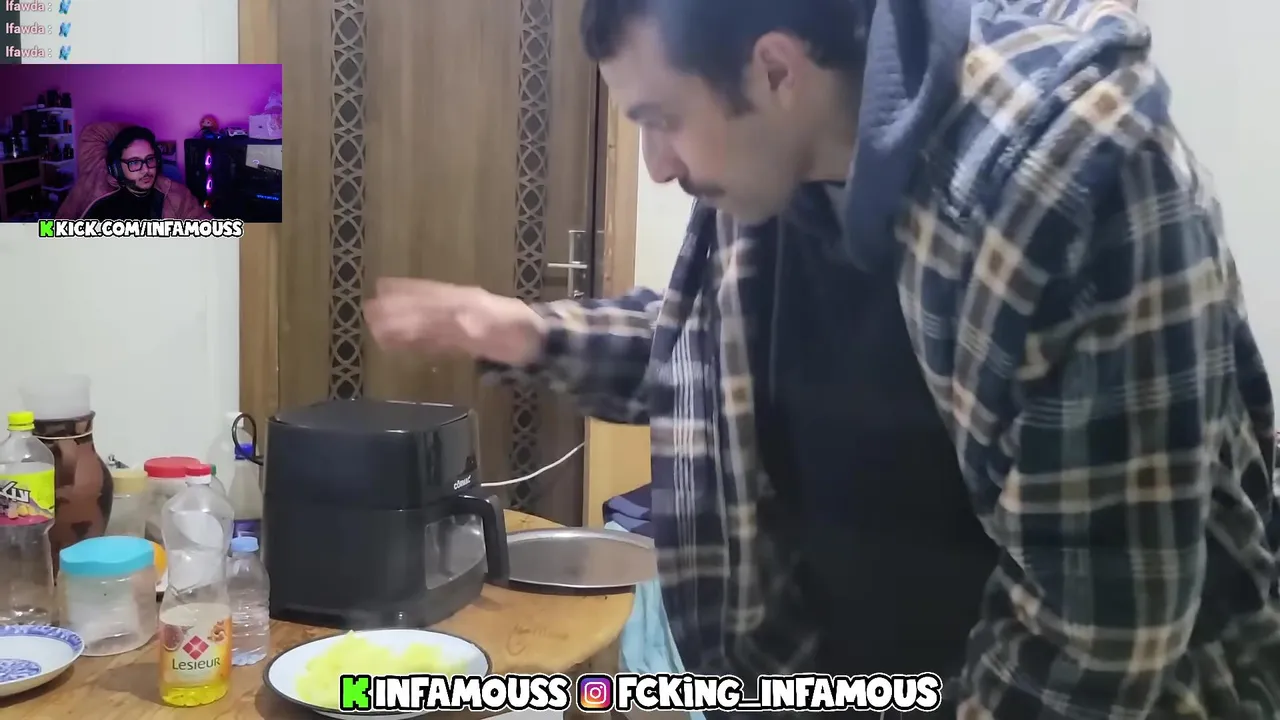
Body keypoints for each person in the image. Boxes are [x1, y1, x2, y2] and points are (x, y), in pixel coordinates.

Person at [366, 1, 1280, 717]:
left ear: (776, 68)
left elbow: (1096, 631)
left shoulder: (1066, 172)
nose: (656, 167)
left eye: (663, 118)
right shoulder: (774, 163)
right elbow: (700, 359)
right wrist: (526, 334)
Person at [55, 123, 210, 221]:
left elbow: (208, 231)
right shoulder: (95, 172)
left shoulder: (177, 195)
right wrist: (134, 133)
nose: (146, 169)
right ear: (117, 167)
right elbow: (93, 132)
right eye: (134, 162)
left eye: (150, 159)